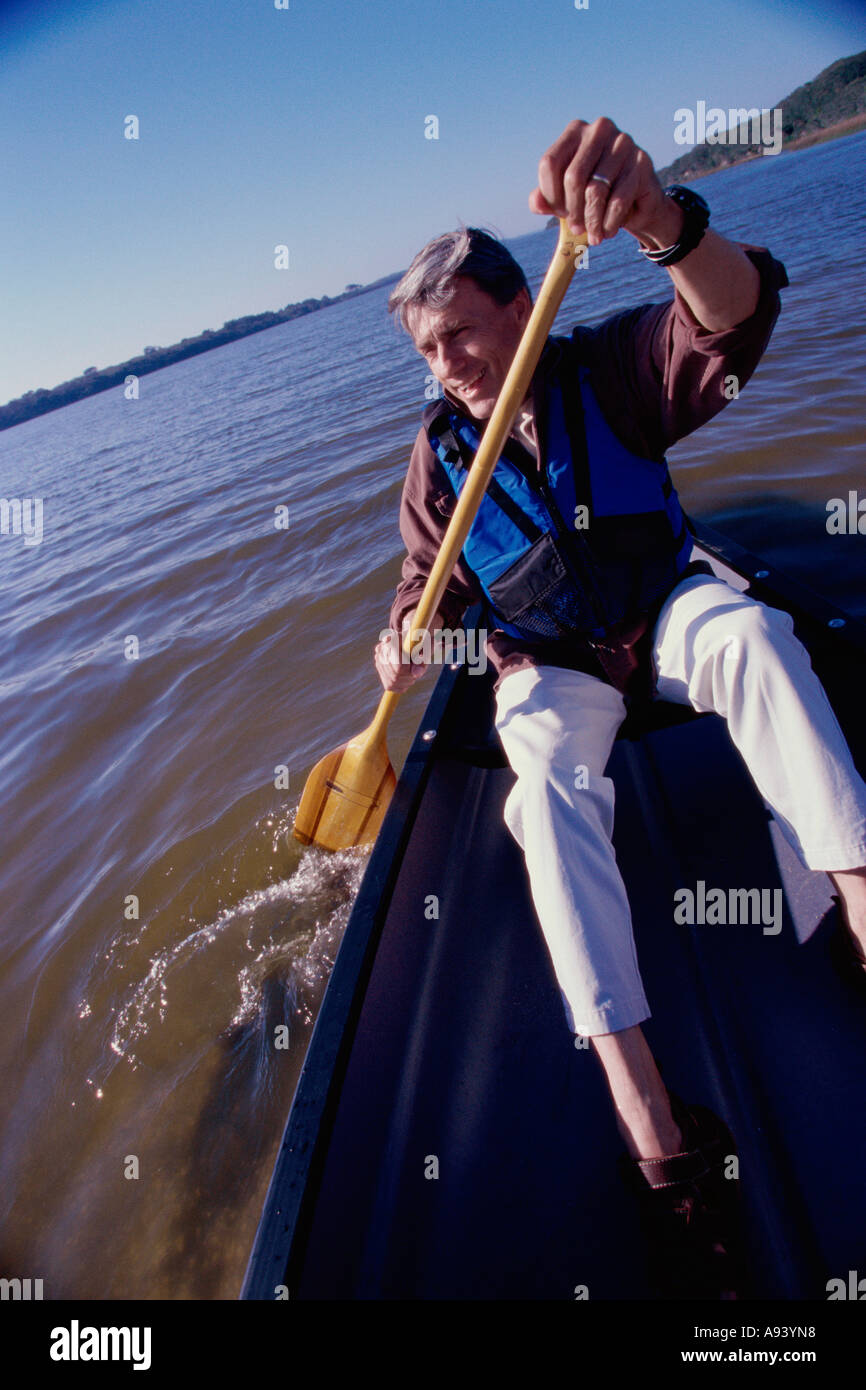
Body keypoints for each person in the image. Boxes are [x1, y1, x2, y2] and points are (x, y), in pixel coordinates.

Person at [373, 117, 866, 1297]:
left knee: (751, 637)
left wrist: (661, 220)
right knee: (538, 793)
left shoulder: (603, 367)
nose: (448, 366)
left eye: (459, 336)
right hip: (551, 666)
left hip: (663, 611)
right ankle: (650, 1116)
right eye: (427, 353)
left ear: (513, 307)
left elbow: (732, 319)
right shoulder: (437, 461)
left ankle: (856, 902)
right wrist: (399, 646)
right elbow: (421, 605)